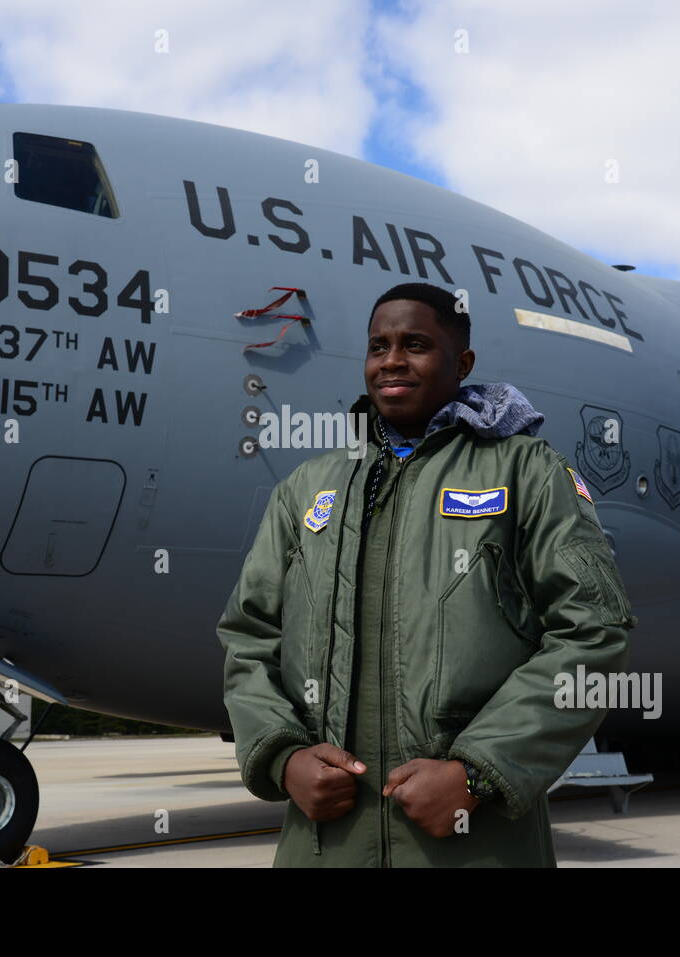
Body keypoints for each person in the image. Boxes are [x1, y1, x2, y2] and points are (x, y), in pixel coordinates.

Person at [217, 281, 635, 867]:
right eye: (377, 346)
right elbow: (249, 635)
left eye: (415, 344)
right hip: (324, 845)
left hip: (474, 843)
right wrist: (283, 759)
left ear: (461, 362)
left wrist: (479, 773)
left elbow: (595, 628)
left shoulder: (528, 472)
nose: (391, 360)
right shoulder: (307, 489)